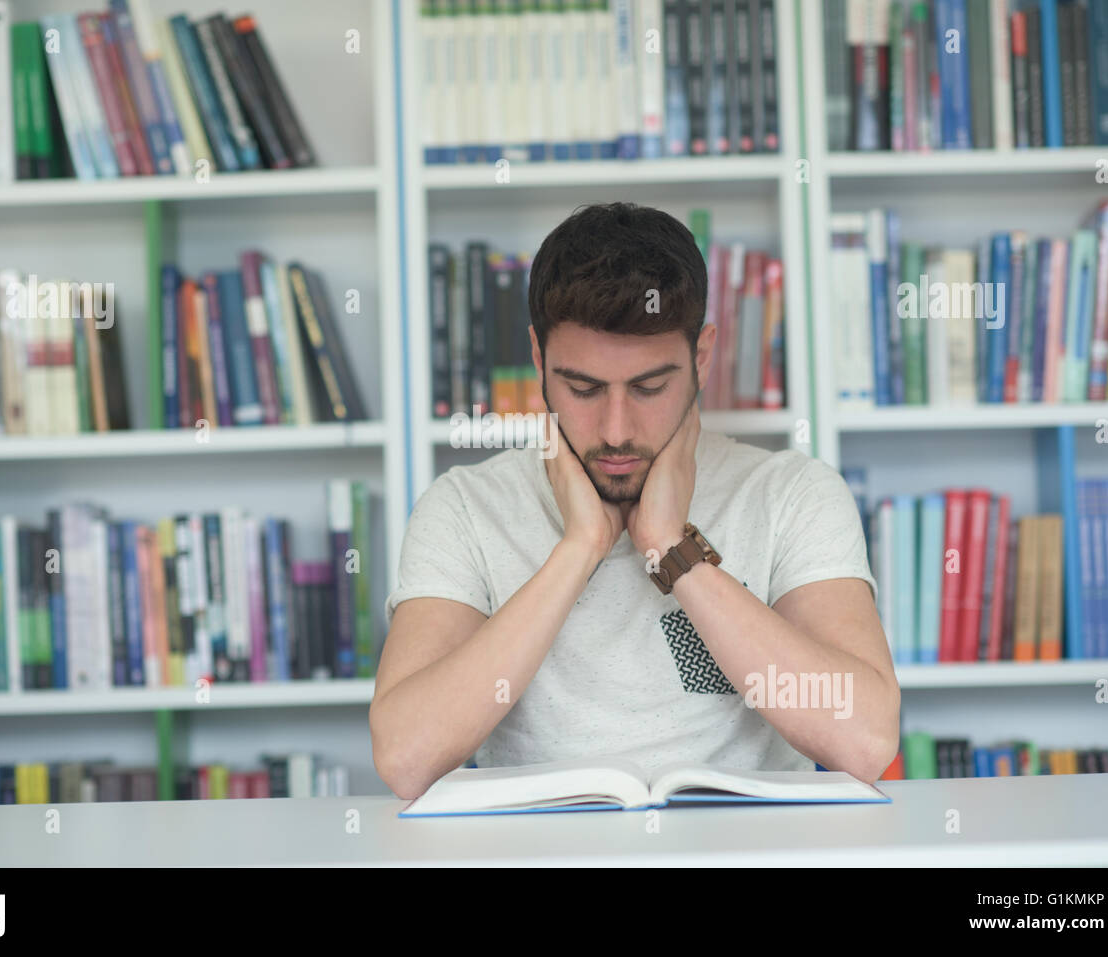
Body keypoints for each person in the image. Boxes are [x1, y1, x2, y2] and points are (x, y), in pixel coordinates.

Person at [372, 202, 898, 800]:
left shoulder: (792, 493)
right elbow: (405, 757)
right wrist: (579, 548)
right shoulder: (463, 508)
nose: (616, 429)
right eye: (584, 388)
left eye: (649, 387)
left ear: (701, 358)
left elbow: (865, 741)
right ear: (539, 361)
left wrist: (672, 548)